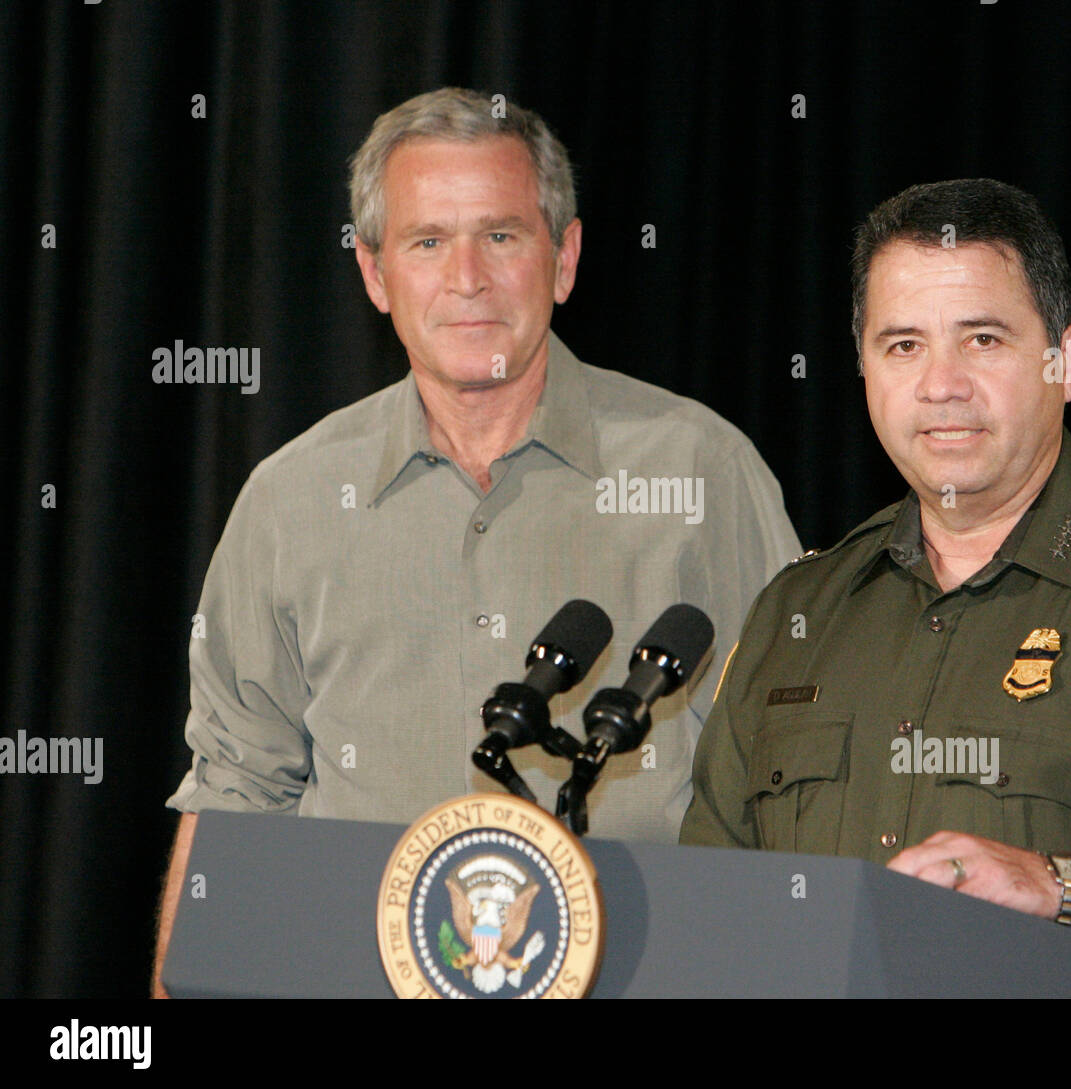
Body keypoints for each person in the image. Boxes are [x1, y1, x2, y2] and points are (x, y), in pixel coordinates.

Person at [152, 88, 800, 994]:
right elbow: (235, 794)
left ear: (564, 258)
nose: (468, 277)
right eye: (427, 242)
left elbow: (789, 775)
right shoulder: (289, 500)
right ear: (375, 275)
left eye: (501, 235)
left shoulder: (704, 472)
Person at [680, 178, 1071, 990]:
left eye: (982, 340)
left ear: (1069, 360)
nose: (941, 384)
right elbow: (709, 909)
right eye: (903, 344)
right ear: (862, 366)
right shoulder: (796, 612)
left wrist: (1064, 887)